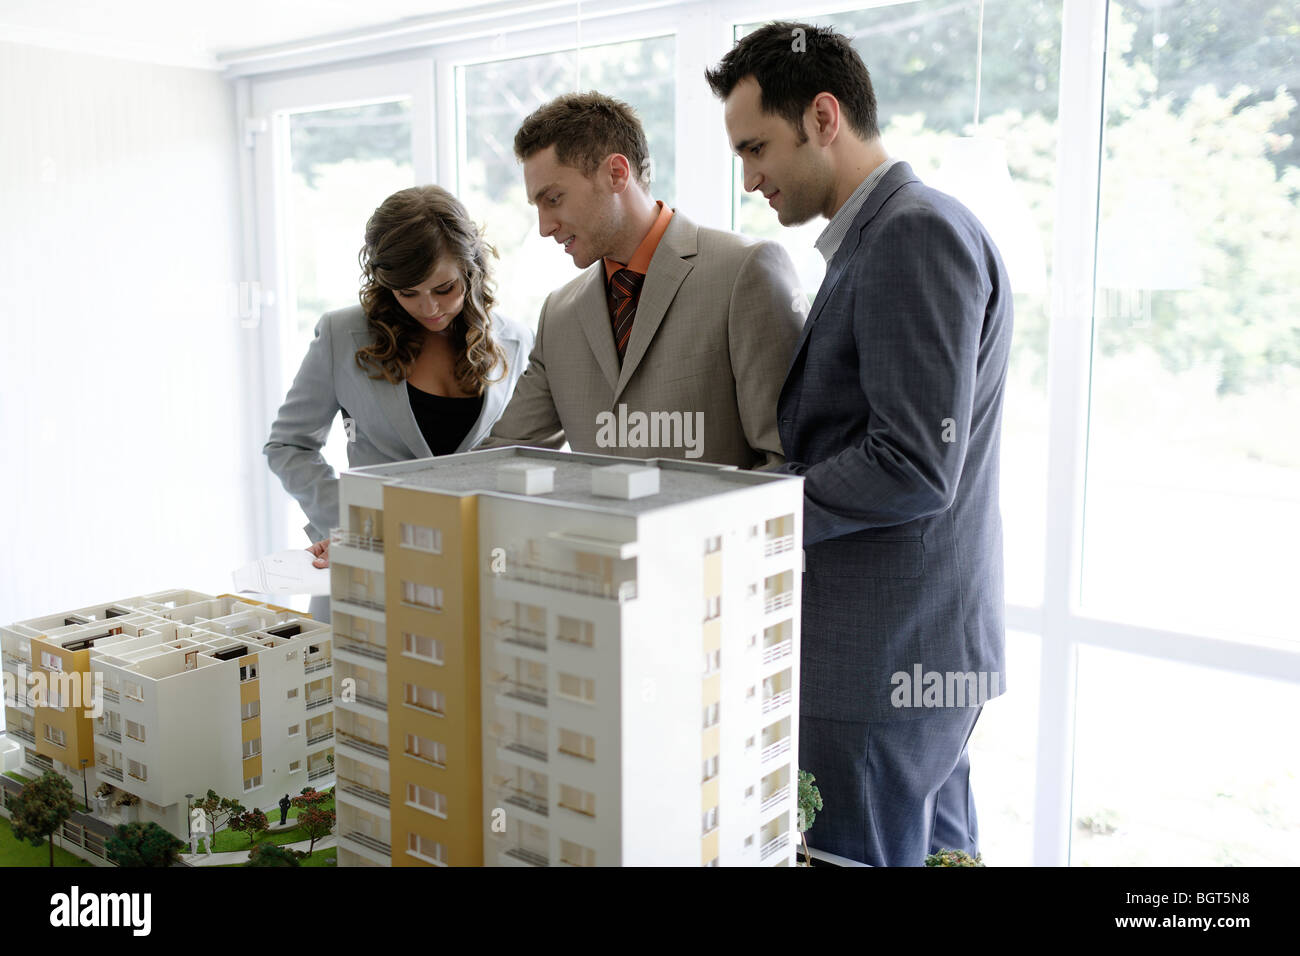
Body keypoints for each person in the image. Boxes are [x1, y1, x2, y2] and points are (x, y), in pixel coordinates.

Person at [707, 22, 1013, 866]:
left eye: (756, 147)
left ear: (824, 117)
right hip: (910, 653)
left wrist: (750, 515)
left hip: (884, 659)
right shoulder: (878, 240)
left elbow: (913, 463)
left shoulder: (912, 234)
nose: (751, 177)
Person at [476, 92, 804, 469]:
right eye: (537, 207)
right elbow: (501, 455)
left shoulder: (746, 271)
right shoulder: (558, 315)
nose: (544, 227)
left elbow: (786, 463)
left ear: (616, 173)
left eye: (553, 199)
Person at [264, 185, 534, 622]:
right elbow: (288, 446)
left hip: (475, 581)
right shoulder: (342, 335)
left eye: (444, 288)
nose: (428, 307)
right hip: (371, 580)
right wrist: (349, 527)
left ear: (471, 269)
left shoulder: (516, 341)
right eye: (408, 293)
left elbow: (524, 457)